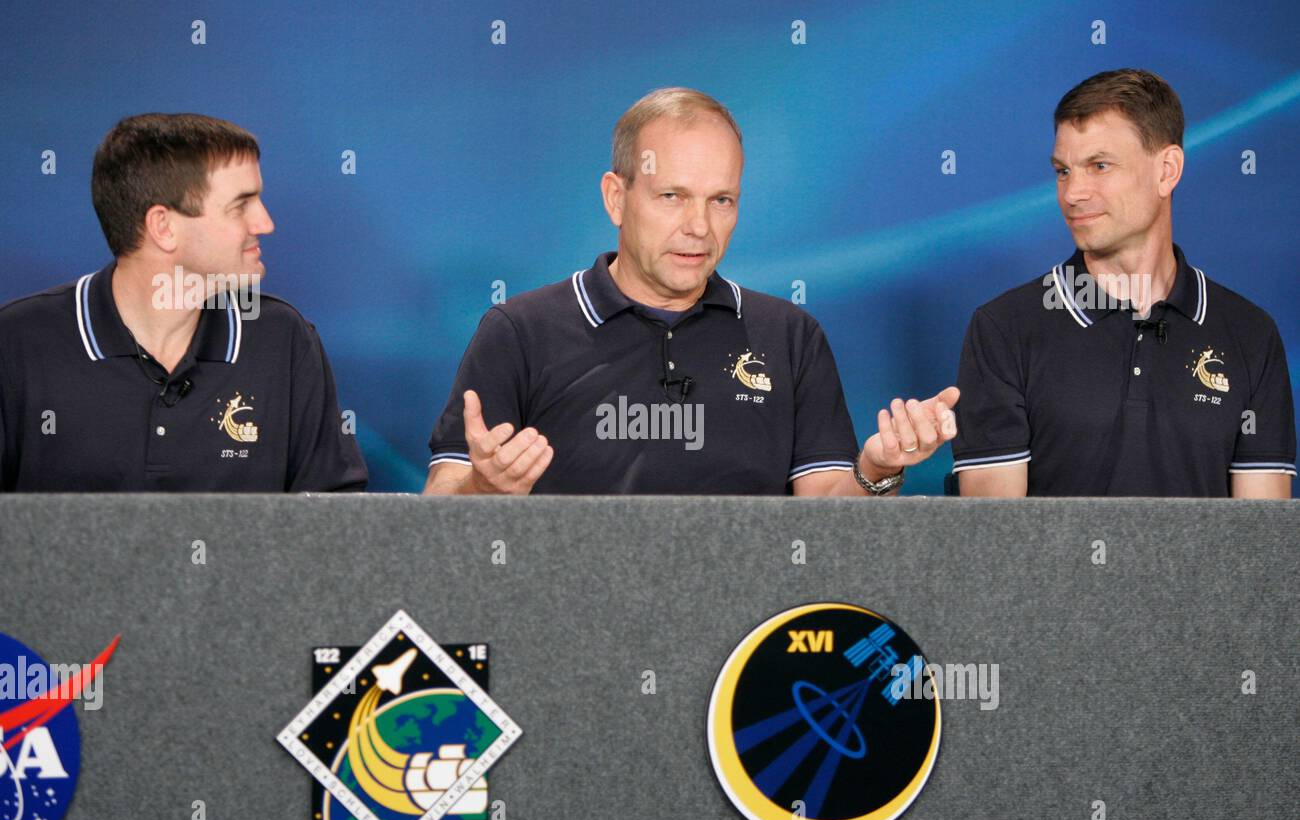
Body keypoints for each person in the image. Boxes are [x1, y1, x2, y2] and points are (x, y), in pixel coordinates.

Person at [424, 87, 958, 496]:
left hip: (751, 634)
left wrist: (876, 469)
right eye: (672, 196)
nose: (699, 226)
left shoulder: (789, 335)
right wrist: (482, 490)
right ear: (616, 198)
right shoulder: (520, 332)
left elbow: (824, 526)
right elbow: (433, 515)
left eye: (720, 200)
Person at [953, 69, 1294, 497]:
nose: (1073, 193)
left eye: (1099, 166)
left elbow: (1259, 542)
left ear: (1167, 170)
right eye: (1063, 171)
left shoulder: (1250, 334)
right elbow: (995, 543)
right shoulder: (1004, 329)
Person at [0, 113, 367, 492]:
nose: (265, 223)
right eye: (241, 205)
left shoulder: (283, 340)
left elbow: (333, 527)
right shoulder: (17, 342)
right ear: (163, 227)